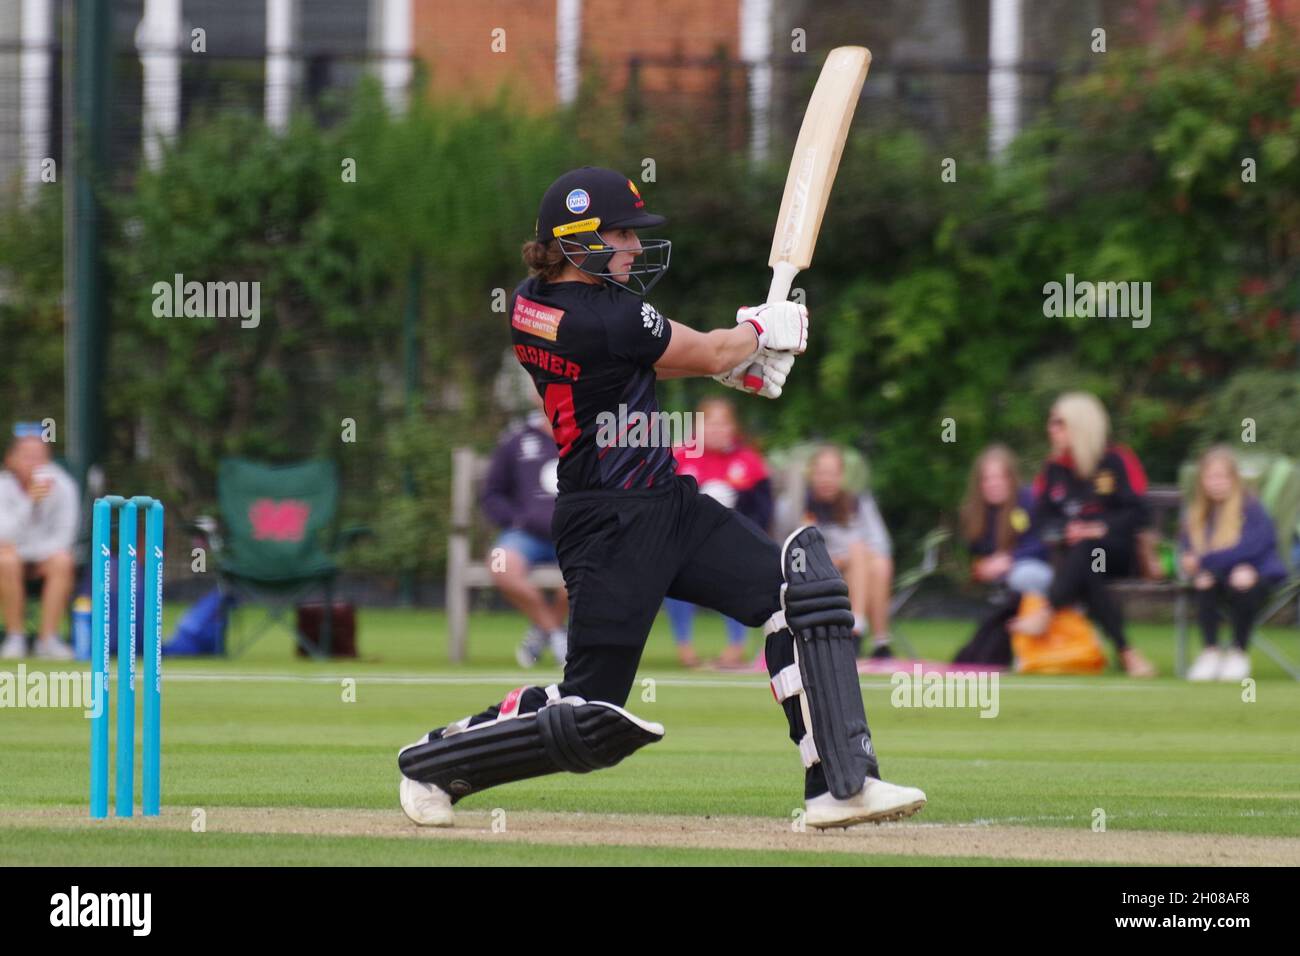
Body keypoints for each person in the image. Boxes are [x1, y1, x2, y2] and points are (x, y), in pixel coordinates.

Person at [397, 166, 925, 829]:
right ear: (578, 240)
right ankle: (435, 761)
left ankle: (840, 784)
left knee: (799, 597)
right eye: (622, 234)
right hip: (609, 525)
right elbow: (704, 350)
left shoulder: (534, 303)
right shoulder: (610, 316)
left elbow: (646, 359)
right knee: (589, 713)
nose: (636, 247)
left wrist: (735, 361)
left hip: (667, 504)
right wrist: (762, 332)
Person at [1022, 392, 1157, 678]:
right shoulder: (1054, 468)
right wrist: (1065, 530)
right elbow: (1041, 521)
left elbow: (1138, 513)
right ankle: (1126, 652)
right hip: (1078, 560)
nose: (1051, 429)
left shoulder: (1117, 460)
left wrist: (1100, 528)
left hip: (1117, 554)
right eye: (1051, 422)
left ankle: (1048, 610)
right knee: (1087, 562)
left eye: (1058, 423)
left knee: (1088, 550)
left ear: (1080, 425)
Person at [664, 396, 773, 669]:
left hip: (735, 541)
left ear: (733, 427)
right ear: (696, 426)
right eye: (709, 423)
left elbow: (763, 512)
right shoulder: (678, 457)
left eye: (723, 423)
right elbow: (663, 507)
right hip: (688, 543)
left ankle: (736, 646)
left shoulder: (749, 462)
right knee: (669, 567)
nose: (716, 429)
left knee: (741, 567)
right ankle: (685, 645)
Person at [1180, 446, 1286, 682]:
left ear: (1234, 479)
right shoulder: (1196, 514)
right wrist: (1190, 562)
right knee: (1204, 581)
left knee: (1242, 579)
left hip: (1258, 574)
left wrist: (1204, 560)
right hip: (1217, 577)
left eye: (1222, 477)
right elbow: (1188, 550)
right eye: (1210, 477)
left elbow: (1253, 548)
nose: (1216, 483)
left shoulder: (1252, 508)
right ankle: (1210, 652)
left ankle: (1239, 652)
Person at [481, 399, 568, 668]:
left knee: (590, 567)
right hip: (526, 536)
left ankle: (544, 631)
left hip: (574, 536)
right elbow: (492, 494)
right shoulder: (515, 440)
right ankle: (556, 633)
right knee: (500, 564)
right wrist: (517, 520)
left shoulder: (589, 438)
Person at [802, 446, 894, 658]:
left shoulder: (857, 503)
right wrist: (835, 560)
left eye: (832, 474)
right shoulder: (802, 505)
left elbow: (881, 543)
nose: (826, 480)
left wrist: (853, 557)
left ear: (841, 476)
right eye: (821, 473)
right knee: (859, 553)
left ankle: (879, 641)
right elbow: (793, 547)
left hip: (856, 567)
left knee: (878, 564)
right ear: (812, 474)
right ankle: (859, 630)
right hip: (816, 570)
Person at [0, 426, 79, 660]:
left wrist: (32, 556)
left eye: (40, 457)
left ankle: (48, 639)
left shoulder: (64, 487)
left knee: (62, 561)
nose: (34, 463)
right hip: (10, 561)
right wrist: (30, 502)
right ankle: (15, 637)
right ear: (11, 460)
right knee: (6, 560)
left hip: (46, 559)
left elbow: (65, 538)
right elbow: (3, 535)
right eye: (27, 456)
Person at [960, 444, 1051, 596]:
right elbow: (977, 553)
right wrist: (983, 567)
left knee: (1022, 576)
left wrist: (1009, 559)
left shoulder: (1029, 500)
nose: (993, 484)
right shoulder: (975, 512)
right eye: (986, 479)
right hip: (1003, 576)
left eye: (999, 477)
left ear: (1011, 479)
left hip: (1038, 569)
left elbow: (1043, 543)